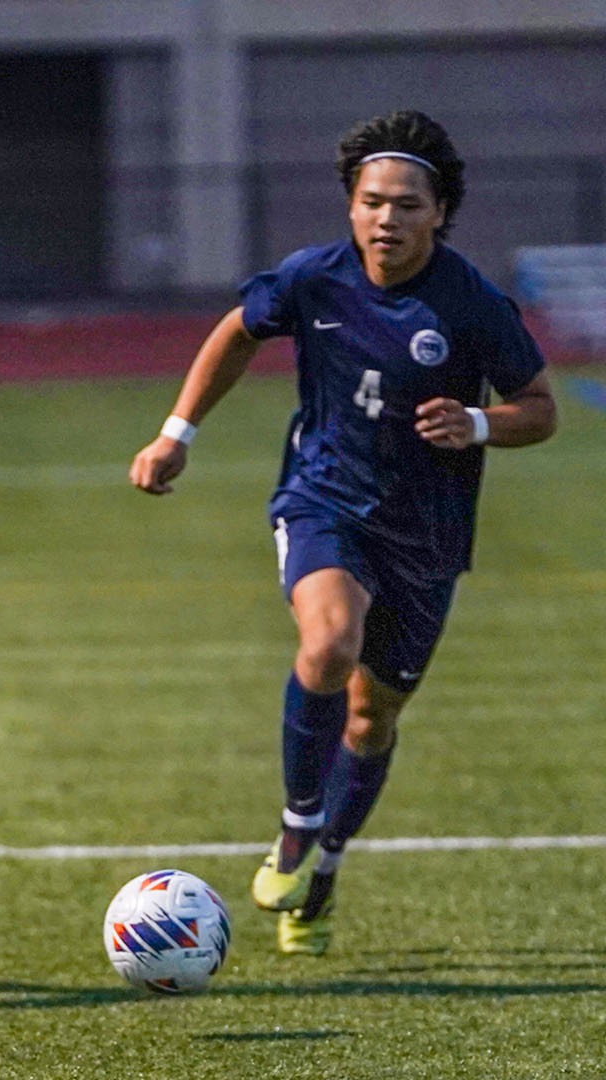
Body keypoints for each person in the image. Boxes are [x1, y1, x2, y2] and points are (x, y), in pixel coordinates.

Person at [129, 109, 558, 956]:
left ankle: (322, 871)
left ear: (439, 213)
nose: (386, 220)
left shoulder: (470, 302)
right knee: (328, 645)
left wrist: (476, 423)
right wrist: (176, 433)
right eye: (371, 202)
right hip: (322, 500)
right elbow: (234, 333)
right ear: (350, 205)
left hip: (426, 538)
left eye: (405, 205)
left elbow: (540, 411)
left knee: (371, 720)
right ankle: (297, 827)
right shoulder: (313, 278)